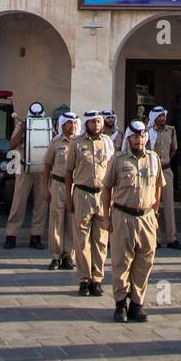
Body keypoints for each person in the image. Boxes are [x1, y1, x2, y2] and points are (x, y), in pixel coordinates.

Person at [102, 119, 164, 323]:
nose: (139, 140)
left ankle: (137, 303)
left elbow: (158, 187)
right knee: (122, 261)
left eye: (143, 136)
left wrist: (154, 213)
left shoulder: (153, 159)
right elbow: (107, 188)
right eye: (136, 136)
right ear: (129, 138)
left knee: (144, 261)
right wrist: (106, 217)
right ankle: (120, 303)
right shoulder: (118, 160)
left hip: (146, 217)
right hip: (123, 215)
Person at [64, 110, 114, 296]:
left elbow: (112, 172)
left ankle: (97, 279)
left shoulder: (108, 143)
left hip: (102, 195)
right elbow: (69, 172)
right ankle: (84, 279)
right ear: (86, 124)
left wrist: (113, 200)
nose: (96, 125)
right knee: (82, 239)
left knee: (101, 240)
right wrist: (68, 198)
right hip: (82, 193)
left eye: (98, 122)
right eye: (92, 122)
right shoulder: (77, 143)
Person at [3, 101, 49, 250]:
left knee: (41, 204)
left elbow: (53, 140)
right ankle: (11, 235)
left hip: (41, 169)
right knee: (18, 202)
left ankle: (36, 236)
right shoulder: (21, 125)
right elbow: (12, 145)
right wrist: (23, 130)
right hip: (23, 167)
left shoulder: (47, 125)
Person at [43, 112, 78, 270]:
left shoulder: (79, 143)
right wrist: (46, 188)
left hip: (74, 186)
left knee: (72, 221)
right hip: (57, 184)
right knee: (56, 220)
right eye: (69, 123)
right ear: (63, 125)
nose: (72, 126)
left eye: (74, 123)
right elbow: (47, 166)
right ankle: (56, 256)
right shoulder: (55, 143)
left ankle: (69, 255)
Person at [147, 106, 181, 249]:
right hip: (151, 171)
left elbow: (173, 149)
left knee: (168, 204)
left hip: (166, 170)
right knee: (153, 205)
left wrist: (164, 160)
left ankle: (171, 237)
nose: (162, 118)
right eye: (159, 116)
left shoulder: (171, 130)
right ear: (154, 118)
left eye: (163, 116)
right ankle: (155, 238)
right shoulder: (148, 131)